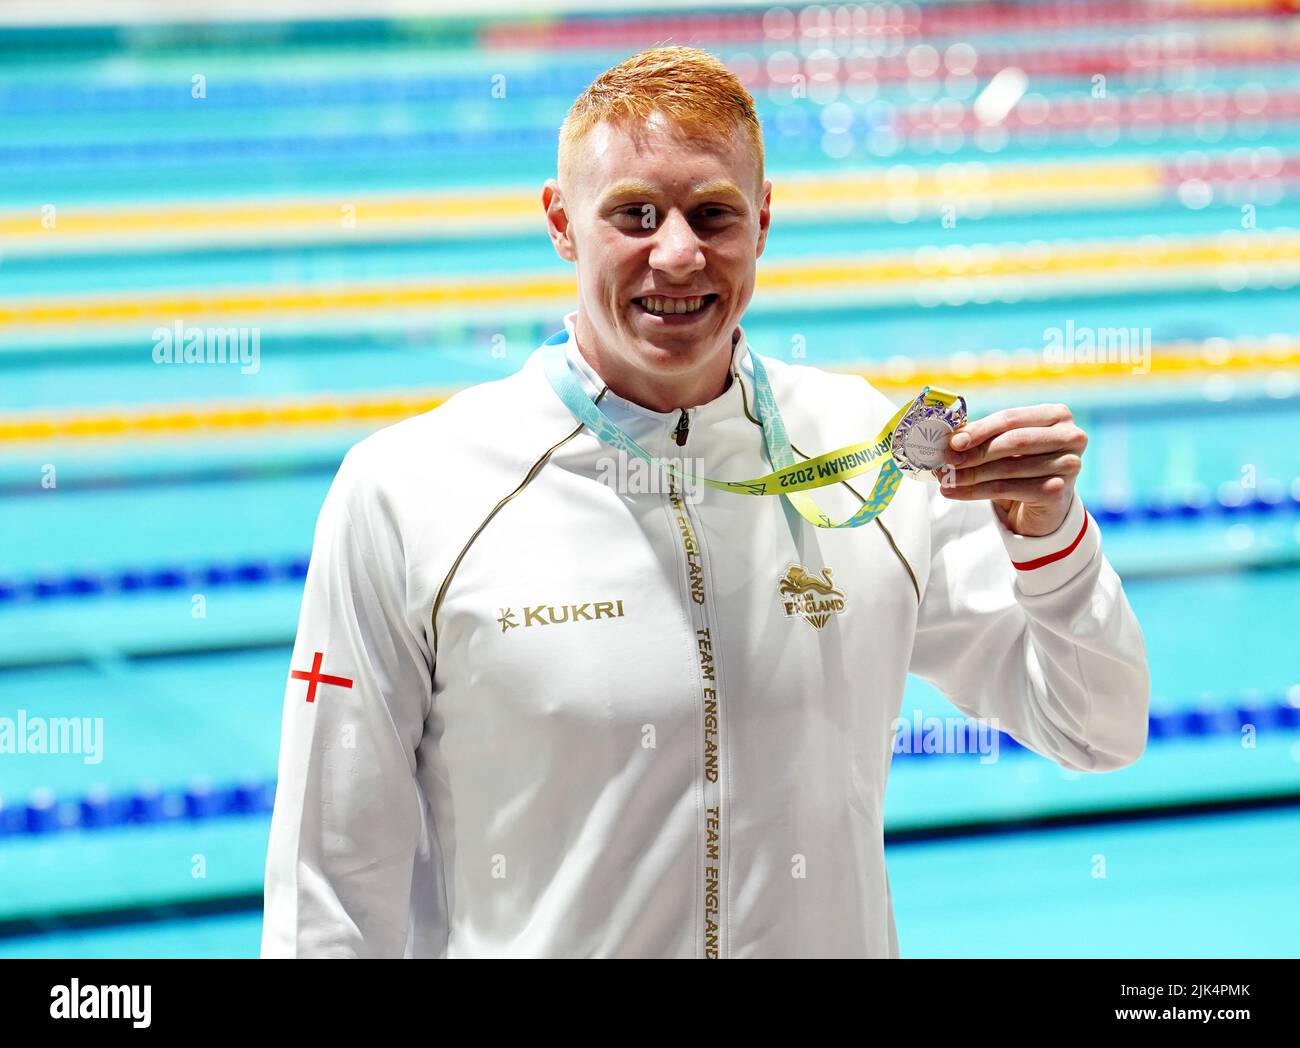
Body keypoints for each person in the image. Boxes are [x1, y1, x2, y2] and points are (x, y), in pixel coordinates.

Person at [260, 46, 1150, 959]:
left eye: (712, 214)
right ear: (563, 224)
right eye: (635, 215)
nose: (678, 254)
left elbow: (1098, 729)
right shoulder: (412, 491)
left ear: (762, 223)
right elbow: (328, 889)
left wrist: (1051, 545)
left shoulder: (866, 455)